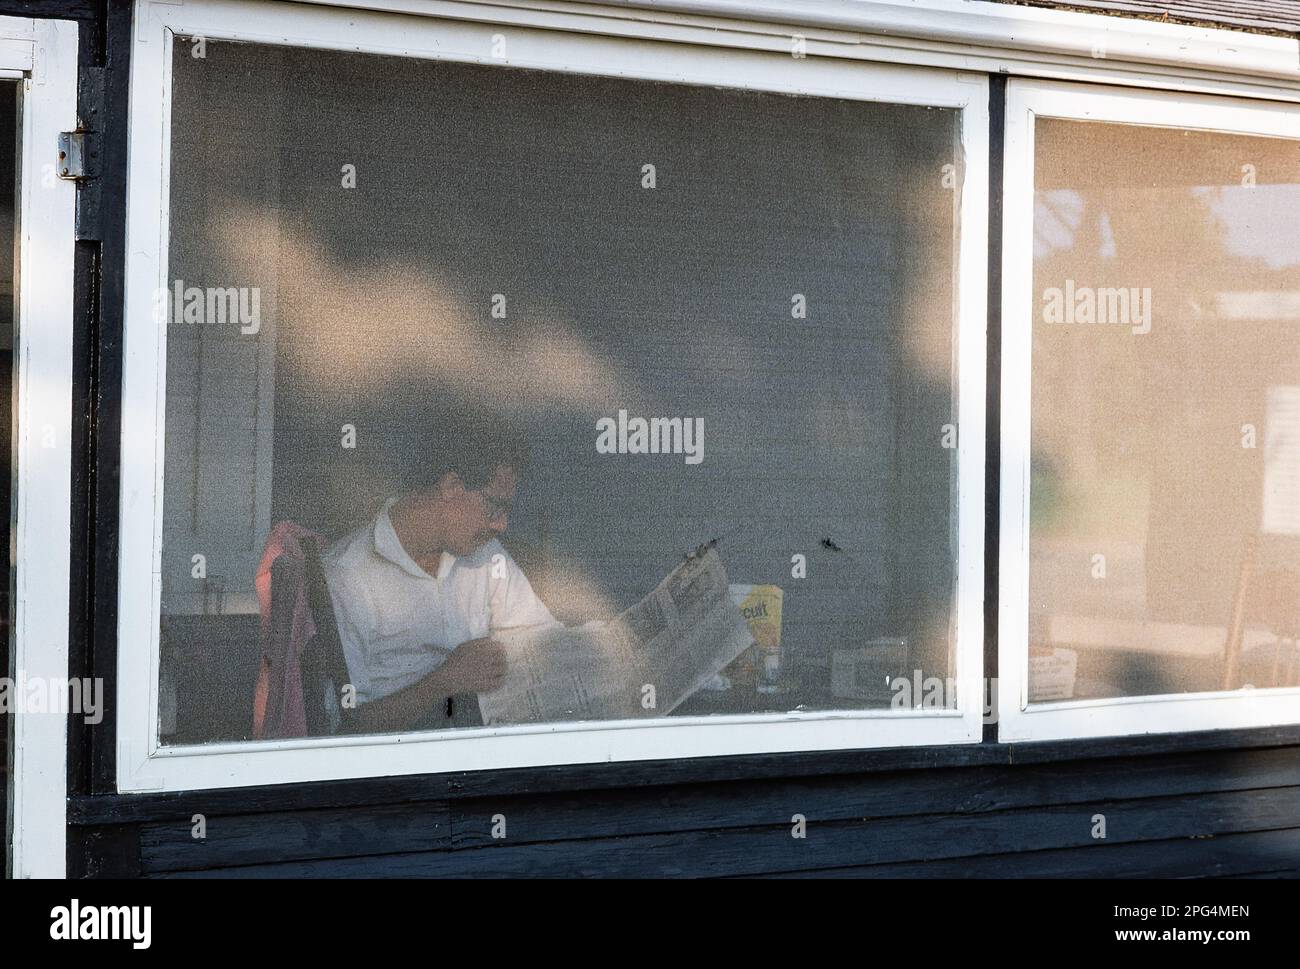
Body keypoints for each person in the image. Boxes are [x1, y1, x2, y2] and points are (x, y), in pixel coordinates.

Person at [321, 414, 558, 734]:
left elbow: (545, 642)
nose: (501, 524)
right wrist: (444, 681)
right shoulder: (347, 576)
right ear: (450, 486)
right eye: (494, 507)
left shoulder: (486, 554)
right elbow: (345, 726)